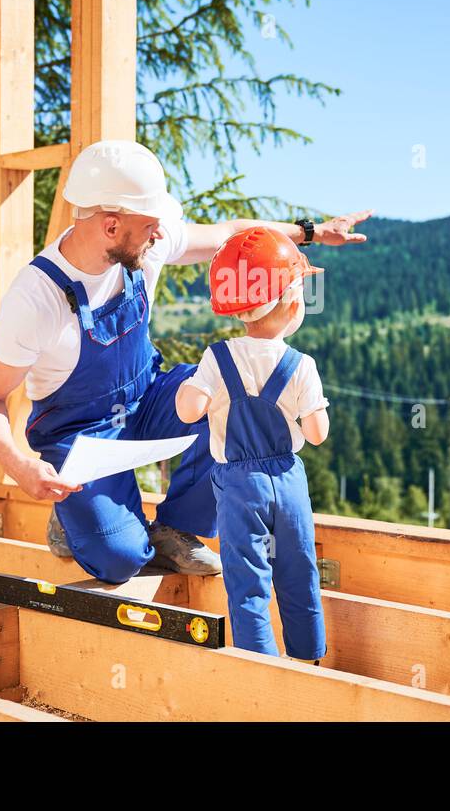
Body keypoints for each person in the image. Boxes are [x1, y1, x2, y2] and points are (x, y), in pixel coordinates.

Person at [0, 138, 370, 585]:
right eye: (151, 224)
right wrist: (22, 466)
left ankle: (175, 528)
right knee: (120, 559)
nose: (162, 232)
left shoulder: (143, 245)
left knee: (233, 399)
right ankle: (75, 520)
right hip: (79, 438)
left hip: (147, 398)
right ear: (111, 226)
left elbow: (228, 232)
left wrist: (311, 232)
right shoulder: (36, 298)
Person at [174, 227, 329, 661]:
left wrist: (194, 391)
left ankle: (259, 668)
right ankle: (309, 660)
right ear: (295, 303)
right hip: (289, 481)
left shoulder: (217, 358)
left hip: (240, 487)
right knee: (299, 572)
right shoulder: (302, 365)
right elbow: (317, 434)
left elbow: (188, 411)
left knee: (247, 583)